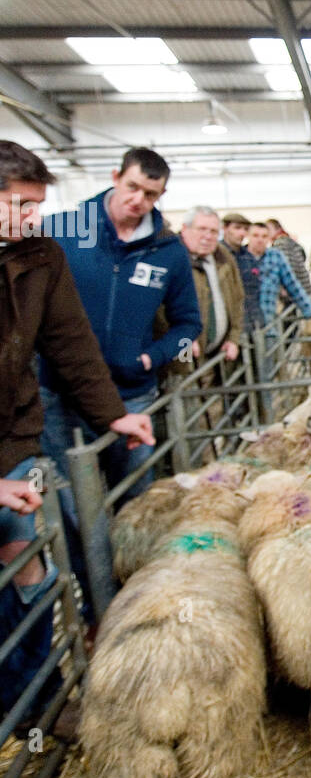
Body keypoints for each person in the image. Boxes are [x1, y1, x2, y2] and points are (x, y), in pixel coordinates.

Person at [0, 141, 153, 740]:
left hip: (12, 435)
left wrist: (113, 414)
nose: (32, 215)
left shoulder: (41, 258)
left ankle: (33, 701)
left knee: (30, 560)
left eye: (38, 204)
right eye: (20, 203)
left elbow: (70, 344)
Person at [40, 147, 200, 622]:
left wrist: (152, 355)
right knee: (71, 509)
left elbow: (188, 325)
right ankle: (95, 610)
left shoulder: (168, 251)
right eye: (132, 187)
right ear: (115, 178)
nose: (139, 200)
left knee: (136, 502)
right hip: (59, 396)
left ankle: (140, 603)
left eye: (151, 194)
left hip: (133, 396)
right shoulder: (66, 228)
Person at [176, 207, 244, 368]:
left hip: (219, 354)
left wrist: (233, 338)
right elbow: (161, 312)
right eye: (201, 229)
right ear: (185, 229)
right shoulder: (172, 259)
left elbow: (237, 299)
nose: (207, 236)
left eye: (213, 231)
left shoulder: (223, 257)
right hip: (183, 349)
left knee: (216, 390)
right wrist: (183, 341)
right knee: (185, 387)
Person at [246, 222, 311, 326]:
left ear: (269, 237)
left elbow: (293, 284)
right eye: (255, 235)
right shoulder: (239, 258)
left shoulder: (275, 256)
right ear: (248, 236)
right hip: (246, 323)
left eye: (264, 236)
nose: (260, 240)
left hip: (269, 321)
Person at [222, 211, 264, 333]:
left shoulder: (248, 257)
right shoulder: (217, 257)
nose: (242, 233)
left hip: (254, 325)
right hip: (230, 330)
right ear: (225, 228)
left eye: (245, 229)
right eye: (237, 228)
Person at [266, 217, 311, 296]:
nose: (266, 232)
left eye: (268, 229)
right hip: (304, 288)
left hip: (295, 291)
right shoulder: (289, 241)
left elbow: (285, 270)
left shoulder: (280, 244)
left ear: (278, 229)